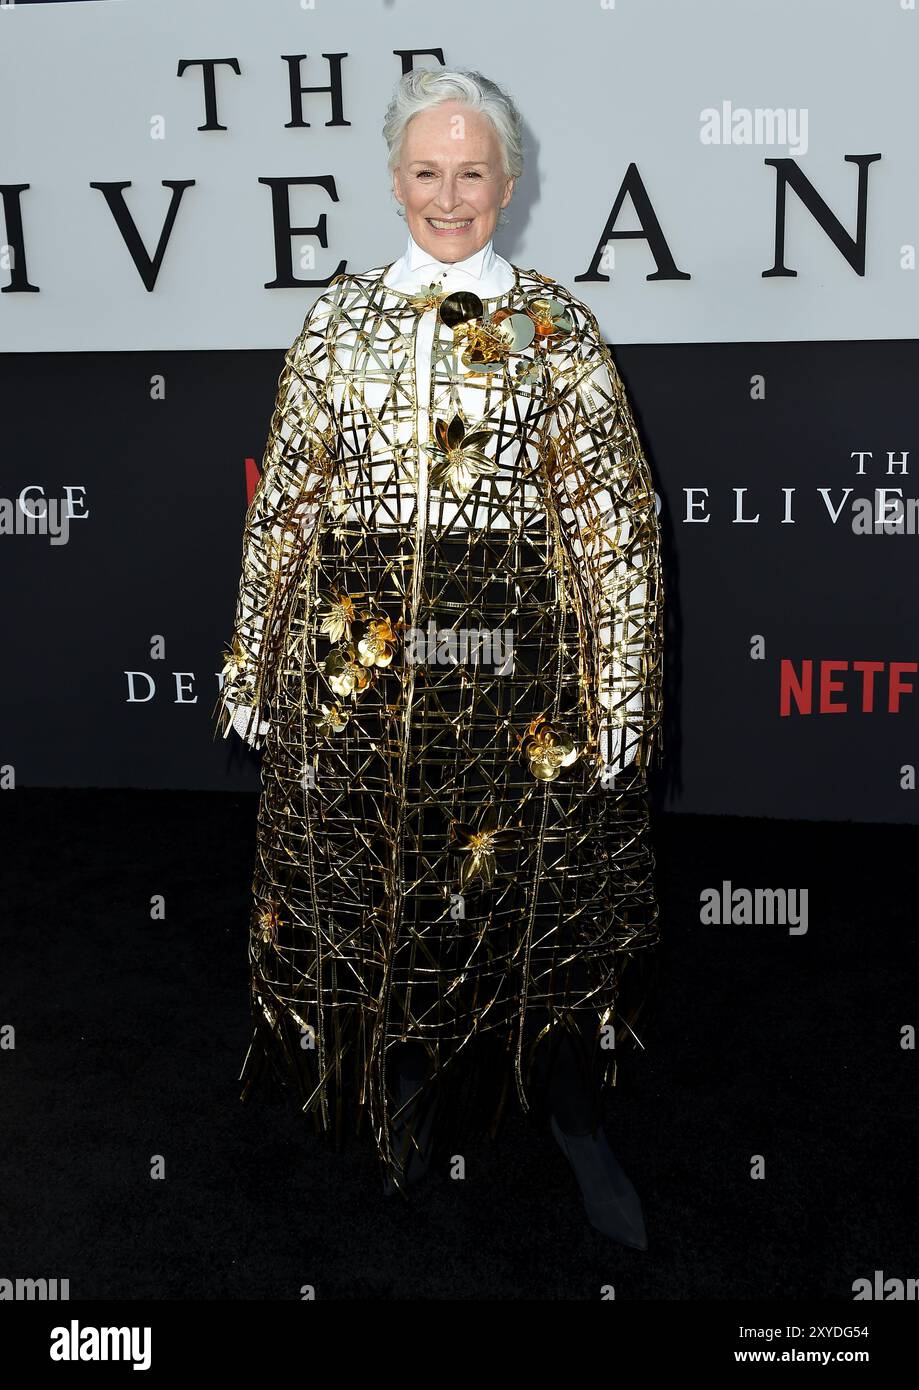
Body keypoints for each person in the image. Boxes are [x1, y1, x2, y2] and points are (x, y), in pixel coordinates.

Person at [213, 67, 664, 1250]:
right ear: (394, 179)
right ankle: (398, 1085)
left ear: (508, 184)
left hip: (516, 648)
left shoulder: (558, 323)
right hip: (358, 649)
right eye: (427, 171)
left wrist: (619, 683)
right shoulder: (340, 319)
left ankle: (572, 1118)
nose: (449, 194)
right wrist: (255, 659)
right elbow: (288, 504)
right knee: (383, 877)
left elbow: (613, 516)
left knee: (538, 891)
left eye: (472, 172)